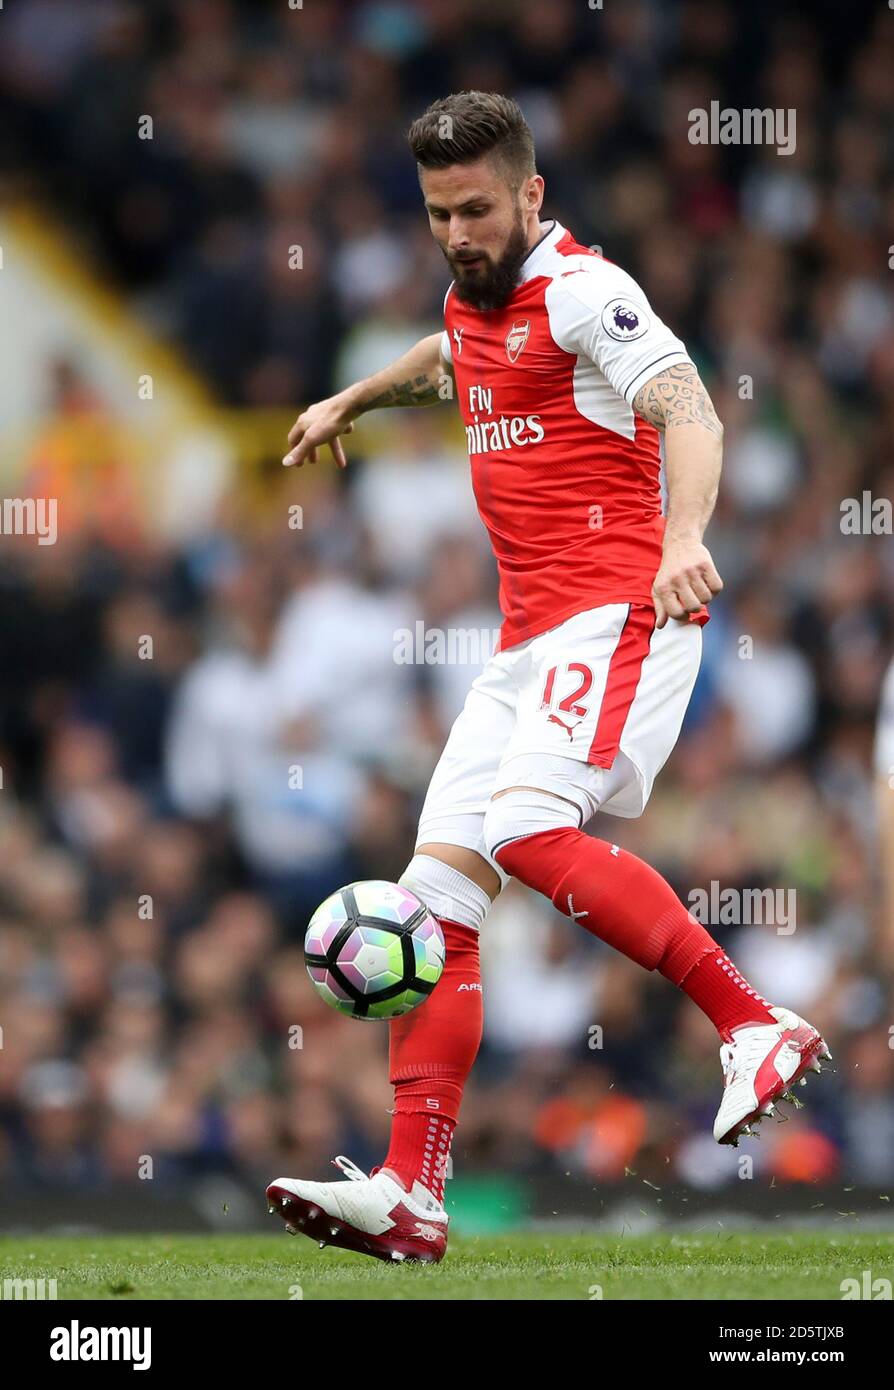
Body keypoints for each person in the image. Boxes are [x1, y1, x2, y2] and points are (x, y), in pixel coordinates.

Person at [266, 92, 830, 1264]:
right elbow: (452, 359)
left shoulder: (585, 290)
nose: (458, 232)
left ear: (530, 195)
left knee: (527, 828)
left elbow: (688, 406)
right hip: (527, 643)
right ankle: (411, 1191)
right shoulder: (472, 300)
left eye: (478, 208)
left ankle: (754, 1021)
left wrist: (684, 540)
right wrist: (352, 398)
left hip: (626, 606)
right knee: (436, 905)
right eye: (438, 213)